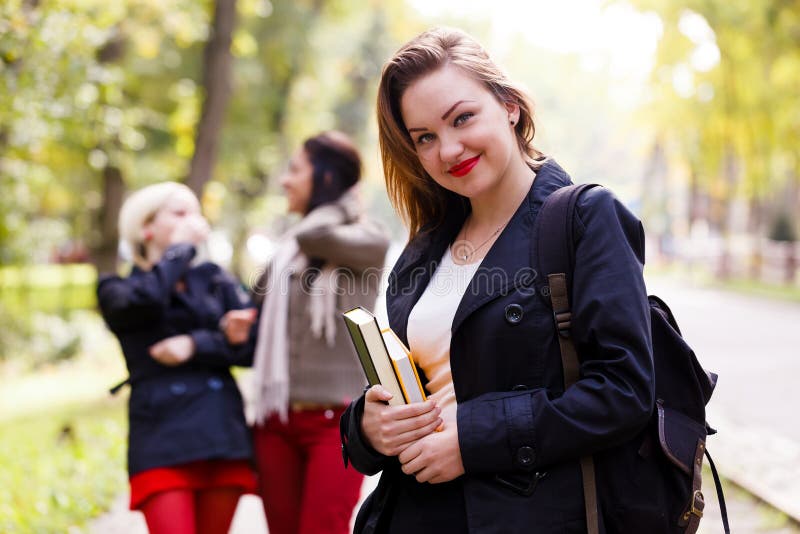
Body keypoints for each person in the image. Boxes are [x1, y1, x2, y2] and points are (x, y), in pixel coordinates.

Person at [339, 27, 654, 533]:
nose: (448, 149)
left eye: (462, 118)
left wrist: (474, 442)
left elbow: (625, 390)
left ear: (508, 105)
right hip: (413, 515)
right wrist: (367, 427)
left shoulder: (583, 219)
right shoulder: (425, 246)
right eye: (425, 137)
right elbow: (424, 384)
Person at [225, 131, 390, 534]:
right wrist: (235, 327)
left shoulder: (367, 240)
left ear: (327, 178)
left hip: (337, 421)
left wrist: (339, 203)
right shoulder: (284, 253)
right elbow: (256, 308)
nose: (285, 180)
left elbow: (314, 235)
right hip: (276, 419)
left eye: (295, 170)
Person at [96, 182, 257, 534]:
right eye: (180, 213)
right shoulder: (116, 288)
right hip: (161, 438)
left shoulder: (214, 279)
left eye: (195, 213)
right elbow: (147, 301)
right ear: (145, 227)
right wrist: (179, 249)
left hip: (220, 434)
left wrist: (195, 344)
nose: (192, 221)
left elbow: (252, 347)